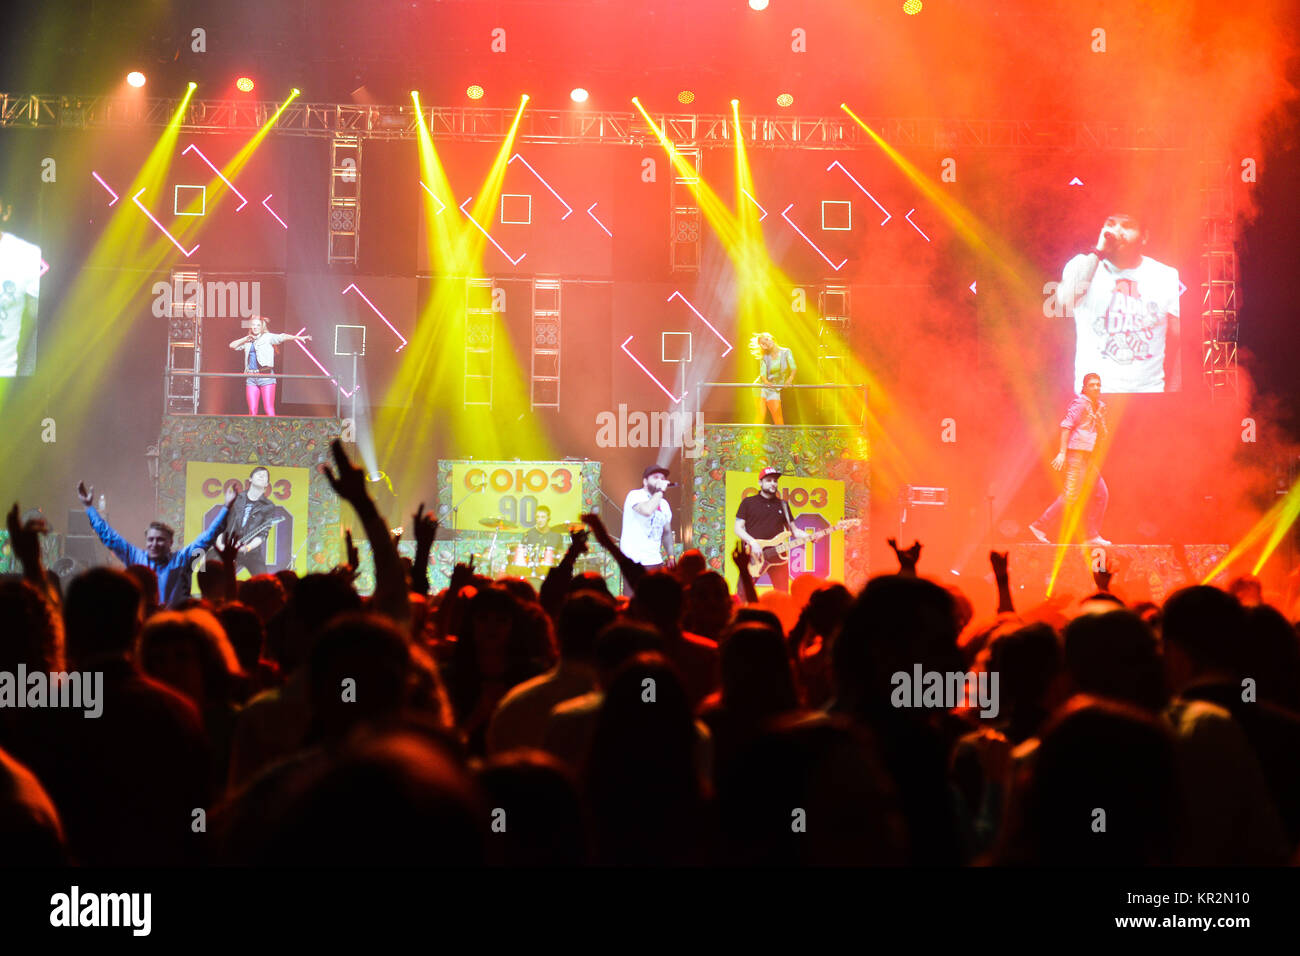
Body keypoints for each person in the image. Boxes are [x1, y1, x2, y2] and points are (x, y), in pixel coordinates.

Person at [1054, 212, 1180, 393]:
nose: (1117, 231)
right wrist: (1098, 252)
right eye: (1110, 224)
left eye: (1127, 226)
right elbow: (1065, 302)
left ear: (1144, 238)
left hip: (1149, 396)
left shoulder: (1166, 276)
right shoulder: (1082, 265)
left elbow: (1181, 340)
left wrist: (1174, 393)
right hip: (1094, 398)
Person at [76, 478, 234, 607]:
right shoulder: (135, 557)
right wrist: (89, 507)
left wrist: (226, 507)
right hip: (144, 625)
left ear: (170, 542)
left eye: (160, 540)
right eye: (151, 539)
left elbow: (208, 536)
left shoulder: (183, 559)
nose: (154, 543)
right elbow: (108, 536)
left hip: (175, 628)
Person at [1029, 373, 1111, 546]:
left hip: (1087, 458)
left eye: (1098, 384)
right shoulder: (1080, 403)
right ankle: (1039, 526)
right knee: (1070, 496)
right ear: (1085, 387)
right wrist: (1061, 453)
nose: (1096, 388)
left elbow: (1102, 433)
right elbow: (1066, 426)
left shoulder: (1099, 407)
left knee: (1101, 494)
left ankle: (1091, 535)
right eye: (1092, 385)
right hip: (1076, 455)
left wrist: (1101, 420)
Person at [734, 466, 807, 593]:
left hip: (778, 556)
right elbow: (738, 528)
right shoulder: (748, 502)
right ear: (760, 483)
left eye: (775, 480)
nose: (773, 483)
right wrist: (753, 543)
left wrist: (811, 536)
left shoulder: (783, 505)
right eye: (769, 480)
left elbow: (795, 531)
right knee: (743, 594)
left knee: (782, 596)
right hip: (754, 555)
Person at [229, 315, 311, 417]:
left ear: (262, 326)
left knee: (268, 409)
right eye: (253, 325)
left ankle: (273, 432)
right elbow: (232, 346)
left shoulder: (268, 337)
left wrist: (296, 337)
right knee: (252, 411)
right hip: (251, 378)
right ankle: (253, 432)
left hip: (266, 376)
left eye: (258, 325)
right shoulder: (248, 340)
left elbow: (282, 336)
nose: (255, 327)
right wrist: (246, 338)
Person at [0, 194, 41, 378]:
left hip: (6, 377)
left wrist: (26, 376)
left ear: (6, 212)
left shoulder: (27, 255)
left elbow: (35, 320)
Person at [217, 466, 285, 576]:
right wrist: (220, 546)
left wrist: (247, 547)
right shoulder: (236, 499)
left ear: (267, 484)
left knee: (264, 583)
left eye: (265, 476)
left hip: (251, 552)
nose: (262, 476)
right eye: (258, 474)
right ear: (250, 479)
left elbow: (263, 534)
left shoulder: (268, 506)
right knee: (220, 582)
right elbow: (221, 524)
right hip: (229, 548)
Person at [620, 464, 674, 575]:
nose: (660, 481)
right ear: (645, 482)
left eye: (662, 478)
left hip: (655, 561)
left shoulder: (664, 504)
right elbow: (647, 510)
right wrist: (660, 491)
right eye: (655, 477)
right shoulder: (635, 495)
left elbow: (667, 532)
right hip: (635, 562)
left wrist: (671, 556)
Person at [751, 332, 796, 425]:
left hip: (774, 388)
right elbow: (762, 373)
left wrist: (790, 379)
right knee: (761, 413)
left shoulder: (786, 352)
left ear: (772, 338)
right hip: (761, 385)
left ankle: (781, 438)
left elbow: (793, 367)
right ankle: (754, 439)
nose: (767, 343)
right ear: (762, 346)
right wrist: (766, 382)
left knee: (778, 417)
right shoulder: (764, 357)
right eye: (763, 343)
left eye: (767, 339)